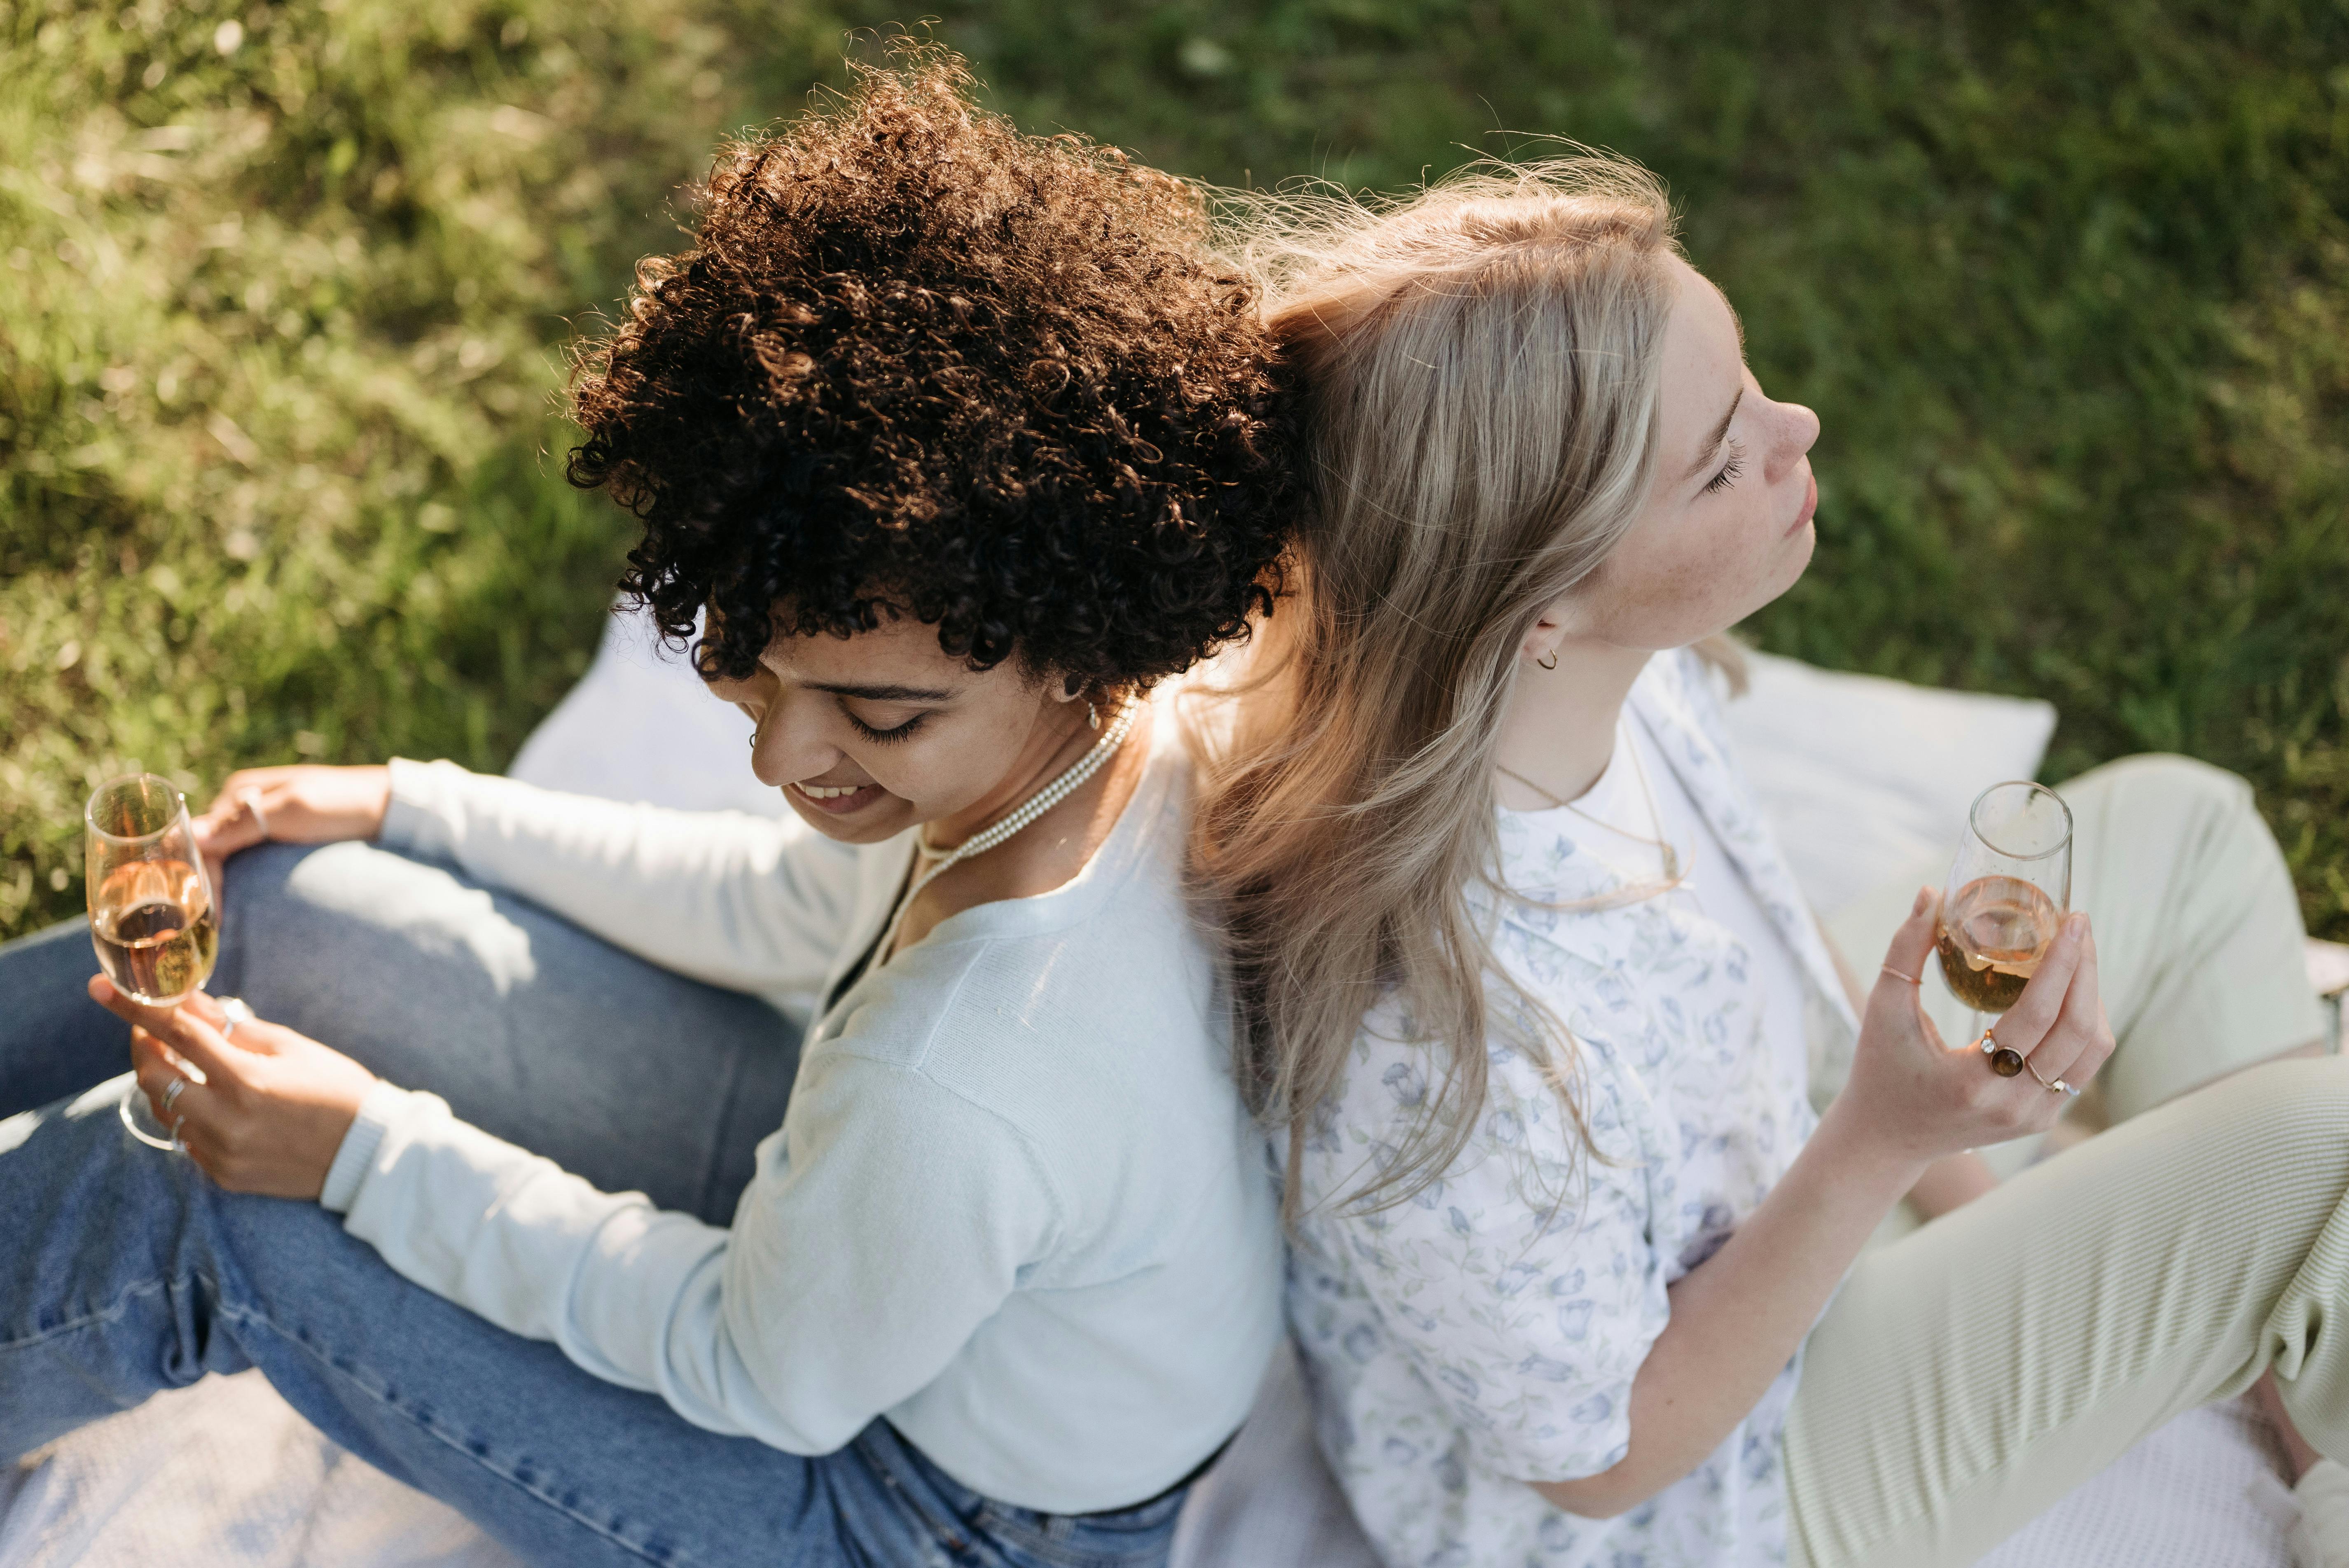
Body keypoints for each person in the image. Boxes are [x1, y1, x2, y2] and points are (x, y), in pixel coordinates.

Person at [0, 55, 1296, 1568]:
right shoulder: (1088, 744)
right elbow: (774, 901)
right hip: (867, 1263)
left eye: (879, 716)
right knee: (285, 901)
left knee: (191, 1205)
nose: (788, 761)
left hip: (916, 1511)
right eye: (753, 680)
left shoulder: (971, 1073)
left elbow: (761, 1372)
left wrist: (356, 1151)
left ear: (1081, 642)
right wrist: (410, 806)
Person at [1185, 154, 2343, 1568]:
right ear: (1538, 604)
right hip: (1727, 1484)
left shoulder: (1604, 681)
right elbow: (1605, 1462)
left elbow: (1756, 975)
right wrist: (1888, 1140)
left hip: (1760, 1154)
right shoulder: (1430, 1040)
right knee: (2317, 1146)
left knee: (2192, 824)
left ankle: (2305, 1376)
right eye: (1725, 460)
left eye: (1750, 390)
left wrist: (1972, 1196)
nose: (1801, 425)